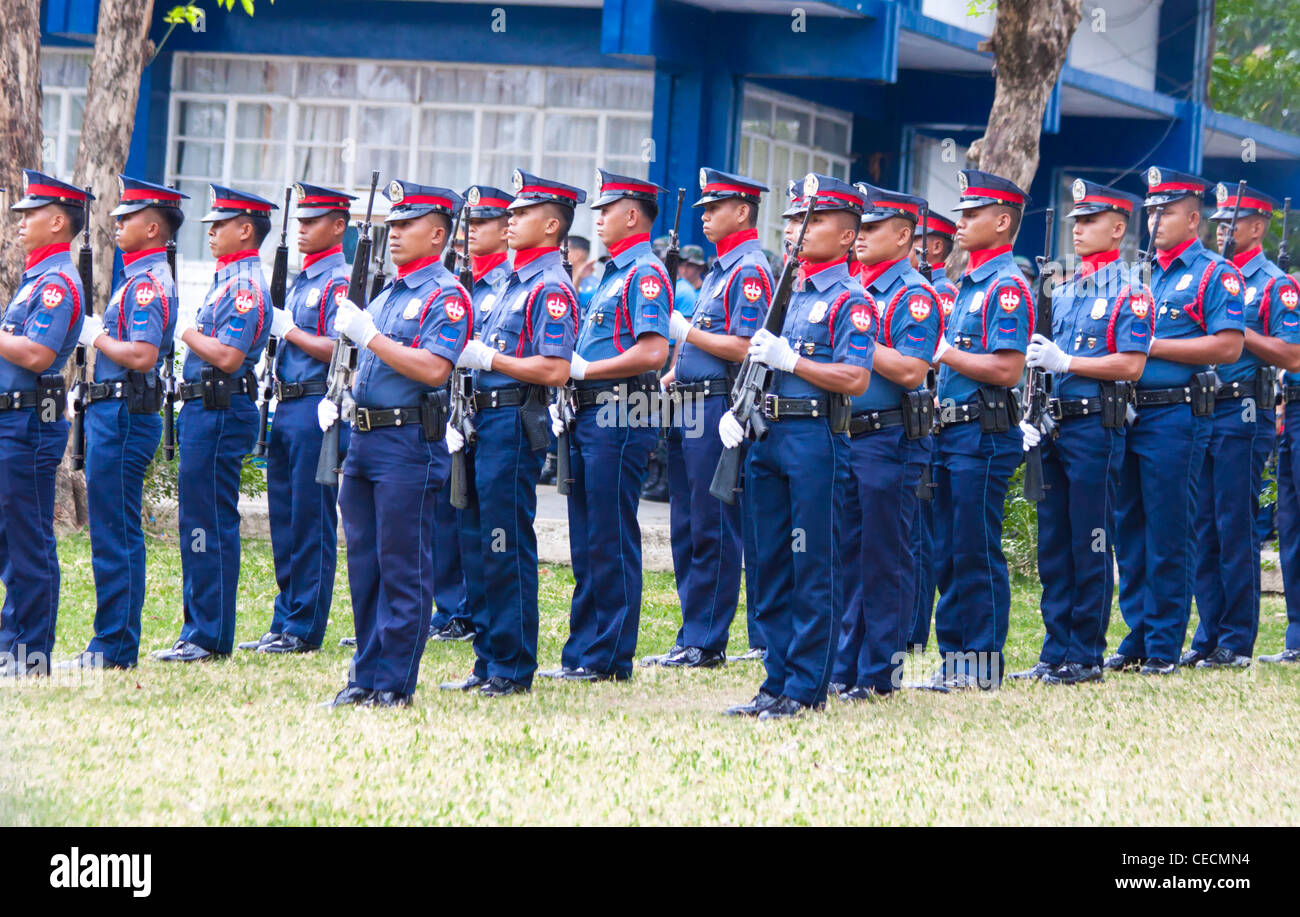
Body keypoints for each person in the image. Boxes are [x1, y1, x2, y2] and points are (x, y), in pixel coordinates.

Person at [720, 174, 874, 720]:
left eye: (812, 220)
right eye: (790, 219)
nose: (795, 229)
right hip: (768, 434)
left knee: (812, 562)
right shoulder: (789, 291)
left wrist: (794, 362)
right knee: (769, 565)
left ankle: (807, 686)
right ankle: (776, 678)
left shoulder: (850, 301)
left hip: (813, 438)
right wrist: (737, 412)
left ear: (848, 235)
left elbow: (855, 379)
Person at [319, 179, 471, 707]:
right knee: (366, 566)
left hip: (407, 441)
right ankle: (365, 673)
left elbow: (433, 369)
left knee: (404, 565)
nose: (396, 233)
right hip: (363, 441)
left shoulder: (446, 296)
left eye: (408, 224)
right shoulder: (388, 294)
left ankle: (394, 683)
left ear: (438, 233)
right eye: (395, 223)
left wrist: (371, 338)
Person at [1012, 179, 1151, 685]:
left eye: (1090, 221)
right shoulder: (1062, 290)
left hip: (1095, 425)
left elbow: (1132, 365)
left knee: (1090, 539)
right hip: (1054, 426)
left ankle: (1086, 653)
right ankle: (1056, 649)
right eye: (1076, 222)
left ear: (1118, 228)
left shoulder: (1130, 293)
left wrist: (1068, 360)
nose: (1079, 230)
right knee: (1054, 541)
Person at [445, 173, 580, 696]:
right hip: (480, 419)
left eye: (521, 214)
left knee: (505, 543)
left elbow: (554, 370)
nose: (510, 221)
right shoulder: (511, 284)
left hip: (510, 423)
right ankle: (487, 659)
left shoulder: (550, 288)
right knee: (476, 544)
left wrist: (491, 359)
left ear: (550, 225)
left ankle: (513, 665)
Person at [1107, 167, 1244, 676]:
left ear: (1193, 218)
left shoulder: (1214, 274)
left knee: (1169, 531)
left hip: (1177, 414)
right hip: (1130, 413)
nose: (1153, 221)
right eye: (1149, 212)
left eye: (1164, 212)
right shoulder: (1139, 275)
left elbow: (1228, 346)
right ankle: (1138, 633)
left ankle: (1164, 643)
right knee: (1131, 530)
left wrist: (1151, 346)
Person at [543, 169, 670, 682]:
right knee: (587, 536)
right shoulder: (613, 275)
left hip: (619, 411)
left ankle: (609, 655)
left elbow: (654, 351)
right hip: (591, 411)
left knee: (610, 535)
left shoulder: (645, 273)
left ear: (632, 215)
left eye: (606, 209)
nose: (597, 218)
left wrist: (587, 371)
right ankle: (583, 651)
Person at [61, 176, 183, 670]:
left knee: (116, 532)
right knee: (114, 530)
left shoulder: (149, 285)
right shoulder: (138, 279)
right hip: (114, 412)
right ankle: (114, 643)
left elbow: (142, 354)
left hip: (126, 415)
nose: (117, 222)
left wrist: (95, 335)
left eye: (128, 216)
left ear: (152, 227)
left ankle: (113, 647)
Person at [654, 168, 772, 670]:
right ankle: (692, 631)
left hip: (717, 405)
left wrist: (688, 334)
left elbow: (746, 346)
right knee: (685, 523)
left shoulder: (749, 269)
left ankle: (707, 640)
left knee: (712, 524)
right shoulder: (723, 268)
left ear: (742, 212)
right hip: (689, 401)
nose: (705, 216)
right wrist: (673, 374)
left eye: (714, 207)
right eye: (702, 208)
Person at [830, 184, 942, 700]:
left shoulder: (912, 295)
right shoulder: (854, 290)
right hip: (848, 435)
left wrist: (858, 341)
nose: (861, 237)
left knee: (885, 558)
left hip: (890, 437)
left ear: (903, 235)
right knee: (848, 557)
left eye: (872, 228)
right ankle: (847, 663)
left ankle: (880, 674)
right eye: (860, 227)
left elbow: (912, 370)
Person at [924, 169, 1033, 691]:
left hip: (983, 436)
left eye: (972, 214)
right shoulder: (967, 285)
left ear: (1003, 220)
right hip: (951, 434)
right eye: (962, 213)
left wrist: (949, 354)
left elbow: (1009, 370)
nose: (961, 223)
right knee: (946, 549)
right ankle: (954, 660)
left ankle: (981, 662)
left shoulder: (1006, 286)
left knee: (974, 548)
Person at [154, 184, 273, 663]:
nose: (212, 233)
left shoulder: (243, 287)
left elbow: (228, 355)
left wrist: (185, 331)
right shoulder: (229, 279)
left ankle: (208, 635)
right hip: (206, 410)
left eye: (220, 225)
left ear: (245, 230)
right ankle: (199, 629)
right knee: (198, 521)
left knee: (209, 522)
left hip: (220, 410)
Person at [238, 181, 354, 655]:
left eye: (313, 221)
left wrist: (291, 330)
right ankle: (284, 618)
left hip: (315, 406)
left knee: (310, 519)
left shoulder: (339, 281)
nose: (303, 229)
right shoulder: (304, 278)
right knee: (284, 519)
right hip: (285, 404)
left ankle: (304, 626)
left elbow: (341, 345)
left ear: (339, 226)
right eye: (300, 221)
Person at [1197, 183, 1300, 666]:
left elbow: (1292, 354)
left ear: (1257, 228)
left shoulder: (1276, 283)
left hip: (1244, 411)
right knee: (1202, 528)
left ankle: (1236, 640)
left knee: (1233, 525)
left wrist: (1240, 335)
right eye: (1218, 223)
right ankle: (1208, 634)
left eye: (1232, 223)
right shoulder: (1210, 277)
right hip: (1201, 409)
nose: (1223, 230)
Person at [0, 171, 89, 676]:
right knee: (9, 535)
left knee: (28, 536)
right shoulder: (36, 277)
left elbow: (36, 353)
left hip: (29, 422)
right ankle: (12, 638)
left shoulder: (56, 283)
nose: (21, 222)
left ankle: (30, 652)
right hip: (13, 418)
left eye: (30, 213)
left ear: (57, 221)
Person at [429, 183, 515, 659]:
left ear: (506, 230)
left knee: (483, 521)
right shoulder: (459, 281)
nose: (470, 232)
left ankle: (468, 610)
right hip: (452, 409)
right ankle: (451, 607)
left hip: (492, 412)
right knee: (449, 513)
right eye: (469, 222)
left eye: (481, 223)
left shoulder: (506, 284)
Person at [907, 212, 958, 652]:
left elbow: (931, 360)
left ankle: (916, 628)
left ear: (935, 247)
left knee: (920, 534)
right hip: (926, 417)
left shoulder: (938, 292)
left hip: (928, 416)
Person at [674, 244, 707, 317]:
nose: (684, 270)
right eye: (681, 265)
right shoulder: (675, 288)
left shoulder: (707, 291)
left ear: (700, 268)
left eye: (689, 265)